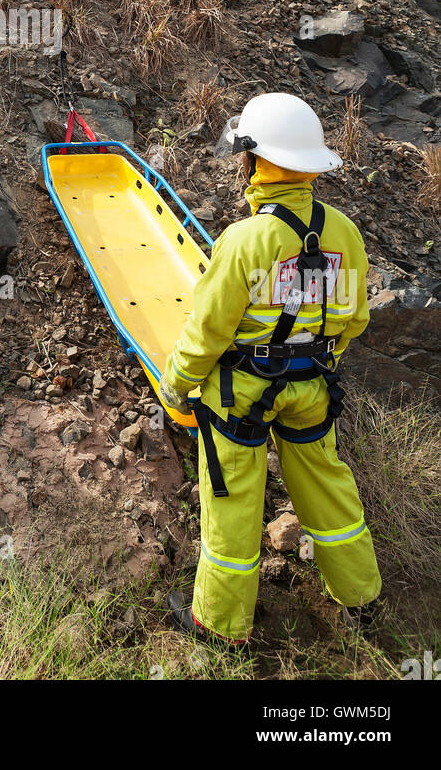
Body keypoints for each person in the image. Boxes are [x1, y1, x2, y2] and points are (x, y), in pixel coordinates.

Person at [158, 92, 382, 644]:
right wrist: (316, 359)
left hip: (241, 394)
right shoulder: (345, 234)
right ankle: (360, 597)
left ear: (255, 160)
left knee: (233, 497)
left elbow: (208, 330)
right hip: (313, 390)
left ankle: (220, 623)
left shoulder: (246, 240)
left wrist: (179, 384)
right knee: (328, 488)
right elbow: (354, 320)